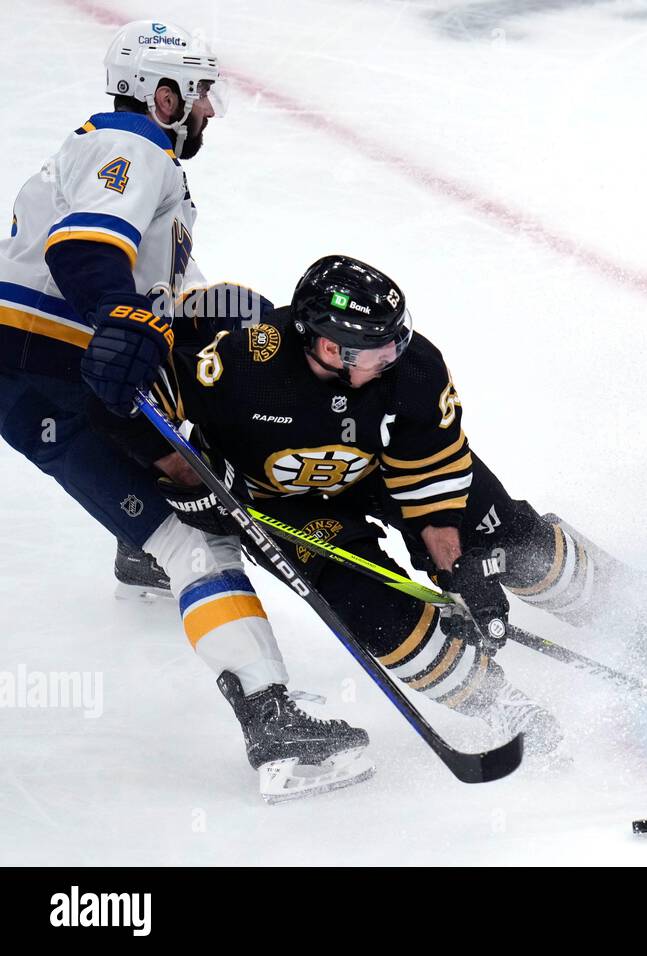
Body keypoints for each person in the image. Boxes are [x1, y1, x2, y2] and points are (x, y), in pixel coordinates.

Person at [0, 20, 369, 800]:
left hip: (26, 377)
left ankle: (139, 550)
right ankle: (278, 733)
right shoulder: (133, 145)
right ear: (162, 94)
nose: (207, 109)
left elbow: (160, 286)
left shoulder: (130, 159)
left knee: (164, 527)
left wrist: (216, 312)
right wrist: (122, 316)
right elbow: (85, 252)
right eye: (198, 93)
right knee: (201, 545)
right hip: (65, 369)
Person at [105, 255, 623, 757]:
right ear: (330, 348)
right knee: (375, 609)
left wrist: (458, 570)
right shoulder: (243, 364)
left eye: (395, 338)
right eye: (379, 348)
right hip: (285, 506)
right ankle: (500, 704)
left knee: (505, 536)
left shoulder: (415, 370)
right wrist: (182, 475)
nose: (395, 353)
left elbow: (435, 483)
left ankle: (623, 604)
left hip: (385, 471)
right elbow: (132, 400)